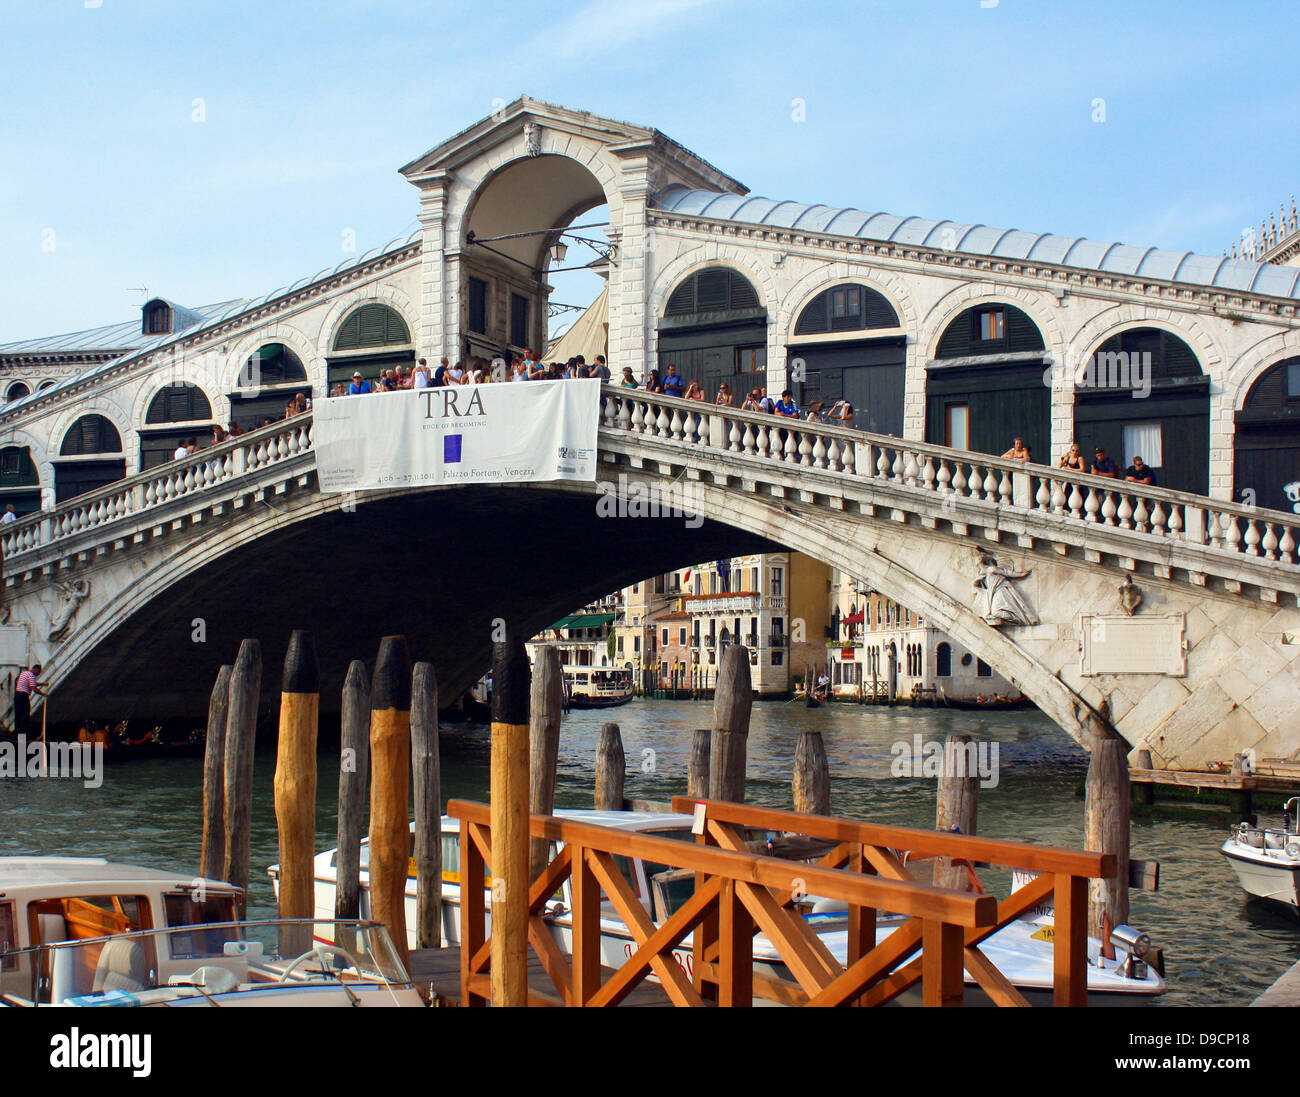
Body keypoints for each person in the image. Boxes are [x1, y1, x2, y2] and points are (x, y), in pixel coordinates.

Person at [13, 662, 45, 739]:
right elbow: (34, 688)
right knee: (25, 715)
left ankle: (17, 733)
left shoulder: (24, 673)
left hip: (17, 695)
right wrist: (43, 694)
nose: (38, 674)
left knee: (18, 715)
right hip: (23, 696)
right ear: (36, 670)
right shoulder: (31, 675)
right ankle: (24, 735)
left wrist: (42, 684)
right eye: (39, 672)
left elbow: (32, 683)